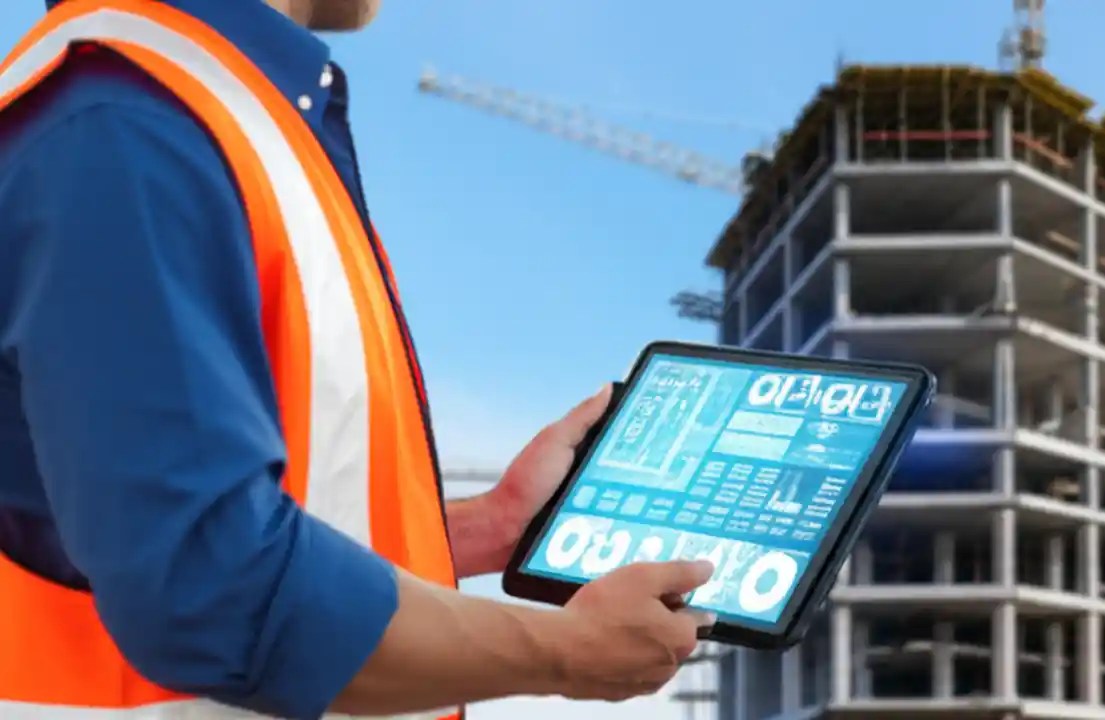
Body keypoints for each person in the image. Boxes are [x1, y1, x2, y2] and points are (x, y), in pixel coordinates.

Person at [0, 0, 715, 718]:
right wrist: (565, 649)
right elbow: (209, 585)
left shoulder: (215, 115)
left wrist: (490, 527)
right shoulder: (125, 118)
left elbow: (226, 526)